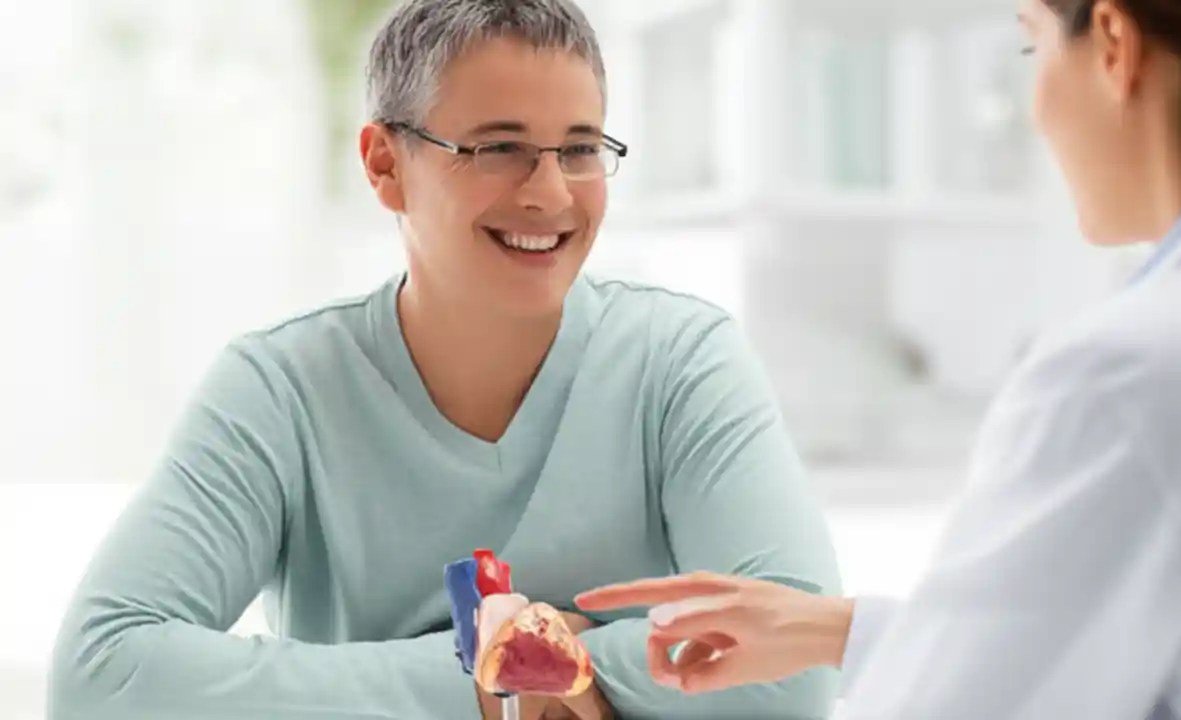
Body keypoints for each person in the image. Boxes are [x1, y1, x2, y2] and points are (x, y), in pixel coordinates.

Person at [46, 1, 842, 718]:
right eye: (499, 148)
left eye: (579, 148)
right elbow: (101, 676)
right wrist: (496, 673)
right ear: (385, 165)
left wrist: (539, 659)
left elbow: (797, 666)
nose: (551, 194)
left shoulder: (680, 362)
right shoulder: (280, 388)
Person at [576, 0, 1181, 716]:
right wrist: (845, 631)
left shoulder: (1136, 374)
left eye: (1031, 49)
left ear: (1112, 45)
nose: (1031, 111)